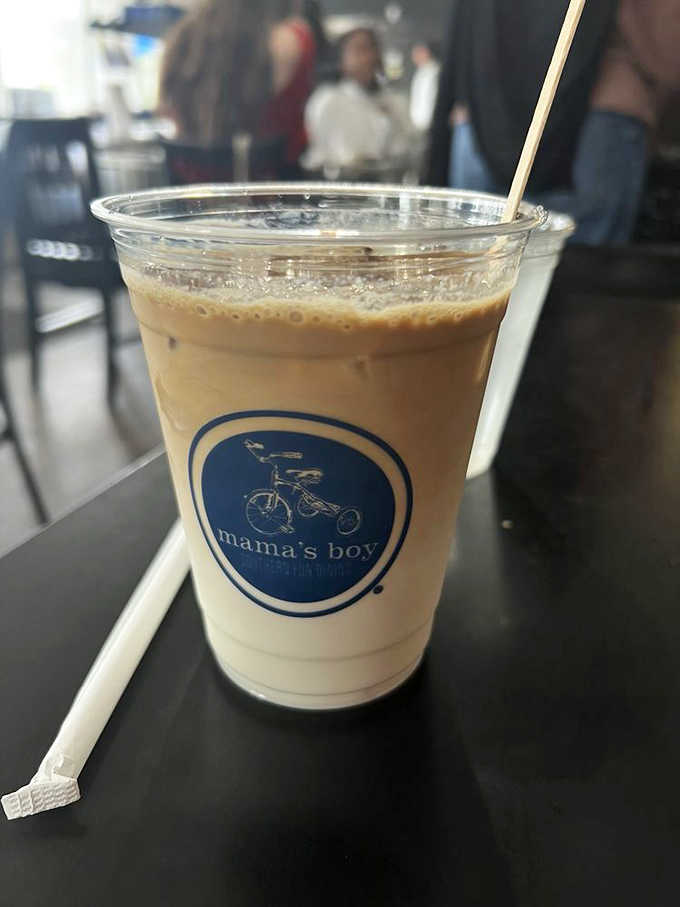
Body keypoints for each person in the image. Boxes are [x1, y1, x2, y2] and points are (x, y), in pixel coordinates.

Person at [427, 0, 680, 245]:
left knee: (478, 269)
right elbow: (665, 39)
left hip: (481, 115)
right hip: (598, 117)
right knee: (585, 277)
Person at [158, 0, 320, 166]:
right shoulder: (294, 38)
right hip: (274, 184)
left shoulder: (183, 37)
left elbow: (165, 111)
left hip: (195, 186)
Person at [303, 27, 414, 171]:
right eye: (359, 50)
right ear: (341, 58)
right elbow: (330, 154)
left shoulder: (393, 102)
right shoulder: (327, 100)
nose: (369, 57)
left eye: (373, 49)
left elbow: (405, 148)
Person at [409, 41, 441, 131]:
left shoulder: (435, 72)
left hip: (431, 124)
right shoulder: (420, 73)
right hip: (419, 125)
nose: (414, 58)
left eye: (417, 54)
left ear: (425, 53)